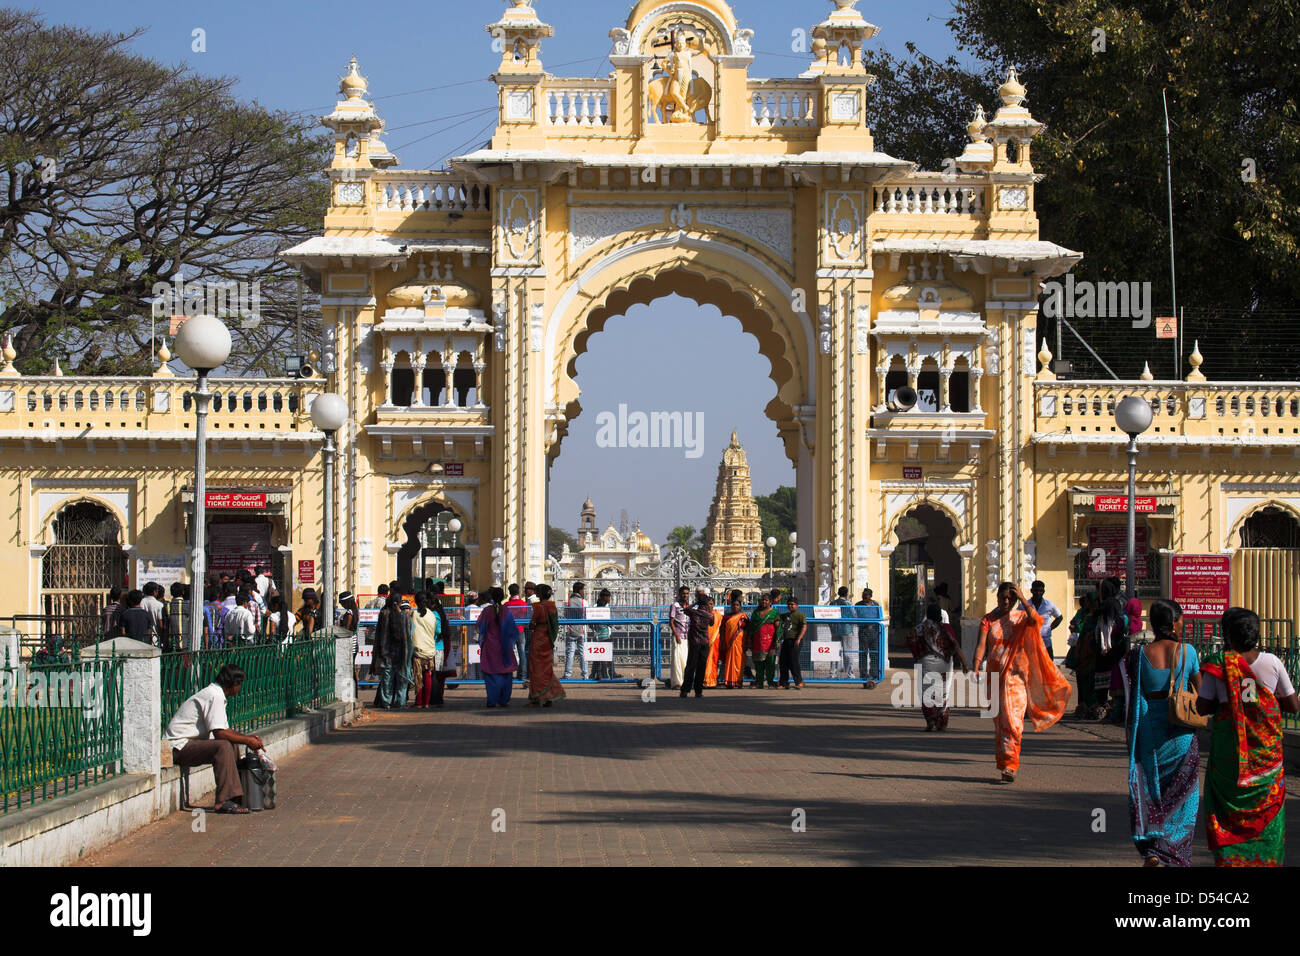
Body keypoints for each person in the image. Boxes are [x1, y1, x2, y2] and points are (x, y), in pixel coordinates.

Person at [1196, 607, 1300, 866]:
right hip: (1266, 756)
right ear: (1256, 635)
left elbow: (1202, 707)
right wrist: (1264, 704)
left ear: (1229, 636)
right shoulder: (1273, 662)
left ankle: (1231, 859)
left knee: (1227, 808)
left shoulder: (1219, 664)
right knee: (1268, 806)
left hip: (1229, 754)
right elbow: (1293, 705)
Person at [1118, 598, 1200, 867]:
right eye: (1181, 619)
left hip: (1149, 732)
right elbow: (1201, 692)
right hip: (1181, 734)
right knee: (1184, 796)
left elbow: (1125, 692)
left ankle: (1152, 849)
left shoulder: (1139, 655)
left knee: (1153, 790)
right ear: (1174, 622)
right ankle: (1172, 851)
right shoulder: (1188, 652)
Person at [973, 582, 1071, 783]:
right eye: (1003, 598)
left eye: (1011, 598)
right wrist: (975, 666)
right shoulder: (988, 620)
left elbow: (1037, 621)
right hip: (994, 678)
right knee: (1000, 723)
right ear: (997, 597)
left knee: (1013, 721)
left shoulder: (1021, 618)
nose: (1006, 602)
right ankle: (1004, 762)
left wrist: (1025, 600)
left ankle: (1011, 765)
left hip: (1016, 679)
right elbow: (981, 645)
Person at [165, 664, 266, 813]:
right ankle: (223, 800)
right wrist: (247, 741)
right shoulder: (214, 695)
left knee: (231, 745)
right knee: (223, 746)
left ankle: (236, 794)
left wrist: (247, 738)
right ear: (234, 684)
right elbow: (219, 733)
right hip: (178, 747)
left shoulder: (216, 694)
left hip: (190, 744)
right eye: (240, 685)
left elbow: (224, 729)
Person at [916, 603, 969, 731]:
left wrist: (918, 655)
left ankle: (931, 723)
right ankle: (942, 722)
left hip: (927, 664)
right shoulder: (946, 628)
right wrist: (964, 663)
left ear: (927, 615)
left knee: (927, 692)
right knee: (944, 692)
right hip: (945, 665)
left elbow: (912, 641)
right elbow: (955, 645)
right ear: (940, 615)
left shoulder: (921, 628)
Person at [478, 587, 519, 708]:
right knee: (506, 673)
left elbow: (481, 627)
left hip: (490, 646)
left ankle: (492, 699)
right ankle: (504, 699)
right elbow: (513, 630)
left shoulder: (487, 611)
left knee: (490, 673)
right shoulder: (506, 611)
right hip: (504, 646)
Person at [527, 584, 565, 707]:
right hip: (548, 640)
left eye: (537, 591)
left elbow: (532, 624)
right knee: (546, 668)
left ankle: (537, 697)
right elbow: (555, 625)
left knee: (536, 669)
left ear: (540, 594)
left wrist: (532, 625)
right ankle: (549, 696)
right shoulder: (552, 607)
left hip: (538, 639)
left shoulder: (539, 607)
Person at [372, 591, 407, 709]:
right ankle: (399, 702)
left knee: (387, 678)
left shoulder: (384, 613)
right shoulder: (403, 614)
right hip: (400, 651)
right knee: (400, 678)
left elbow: (380, 633)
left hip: (385, 650)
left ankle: (386, 701)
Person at [411, 591, 445, 708]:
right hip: (430, 650)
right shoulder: (433, 615)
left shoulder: (414, 615)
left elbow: (410, 631)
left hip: (417, 650)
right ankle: (426, 703)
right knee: (427, 676)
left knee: (418, 676)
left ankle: (419, 702)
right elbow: (438, 632)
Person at [679, 590, 716, 698]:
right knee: (701, 667)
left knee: (690, 666)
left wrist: (695, 604)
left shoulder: (694, 612)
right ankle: (698, 691)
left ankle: (685, 690)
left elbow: (685, 610)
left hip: (695, 642)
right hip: (704, 643)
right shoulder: (710, 615)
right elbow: (712, 623)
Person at [746, 593, 781, 689]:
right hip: (757, 641)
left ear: (770, 602)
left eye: (766, 600)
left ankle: (770, 683)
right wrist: (749, 639)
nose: (764, 602)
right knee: (758, 663)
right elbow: (751, 627)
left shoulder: (774, 613)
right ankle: (759, 682)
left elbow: (778, 628)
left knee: (770, 663)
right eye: (762, 600)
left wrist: (777, 640)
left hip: (770, 642)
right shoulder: (756, 612)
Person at [777, 596, 807, 689]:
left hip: (795, 640)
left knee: (793, 661)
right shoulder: (785, 615)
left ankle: (799, 681)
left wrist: (799, 639)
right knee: (783, 662)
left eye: (792, 604)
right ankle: (783, 682)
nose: (790, 606)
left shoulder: (800, 615)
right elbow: (776, 619)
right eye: (789, 604)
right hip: (786, 640)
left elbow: (804, 627)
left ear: (797, 605)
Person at [1027, 580, 1063, 658]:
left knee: (1048, 668)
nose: (1038, 593)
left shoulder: (1049, 605)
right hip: (1030, 644)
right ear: (1031, 591)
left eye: (1040, 590)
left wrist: (1050, 628)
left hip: (1046, 643)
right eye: (1036, 590)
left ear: (1044, 591)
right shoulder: (1024, 606)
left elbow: (1059, 617)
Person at [720, 594, 748, 688]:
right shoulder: (726, 617)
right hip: (729, 643)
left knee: (739, 662)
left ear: (740, 606)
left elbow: (747, 630)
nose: (735, 607)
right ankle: (729, 681)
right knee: (729, 661)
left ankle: (738, 681)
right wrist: (723, 642)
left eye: (737, 605)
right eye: (733, 605)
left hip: (740, 643)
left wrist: (747, 643)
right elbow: (722, 630)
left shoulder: (743, 617)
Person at [855, 588, 881, 685]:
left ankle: (874, 674)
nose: (865, 599)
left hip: (874, 631)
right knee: (863, 653)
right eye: (863, 597)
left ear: (870, 596)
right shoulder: (858, 605)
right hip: (863, 631)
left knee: (874, 653)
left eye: (867, 597)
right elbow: (855, 616)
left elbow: (879, 615)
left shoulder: (876, 604)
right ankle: (863, 674)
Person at [563, 583, 588, 681]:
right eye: (583, 590)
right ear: (579, 590)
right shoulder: (584, 602)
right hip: (581, 630)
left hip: (571, 630)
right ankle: (585, 674)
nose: (584, 591)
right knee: (583, 653)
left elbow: (565, 615)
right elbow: (586, 615)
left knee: (570, 653)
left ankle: (567, 674)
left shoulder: (567, 602)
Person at [506, 584, 531, 681]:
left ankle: (509, 674)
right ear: (518, 591)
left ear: (509, 592)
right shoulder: (523, 604)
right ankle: (523, 676)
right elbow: (526, 616)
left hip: (509, 631)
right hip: (520, 630)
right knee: (522, 653)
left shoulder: (507, 605)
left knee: (509, 653)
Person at [667, 585, 690, 689]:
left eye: (687, 593)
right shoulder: (675, 605)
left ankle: (686, 681)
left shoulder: (689, 606)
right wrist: (676, 634)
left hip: (687, 636)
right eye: (683, 593)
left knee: (685, 659)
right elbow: (671, 622)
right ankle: (677, 682)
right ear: (679, 594)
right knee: (677, 660)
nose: (685, 595)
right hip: (678, 636)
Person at [590, 588, 615, 681]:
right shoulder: (606, 607)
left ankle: (596, 674)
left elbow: (590, 621)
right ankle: (609, 673)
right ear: (605, 597)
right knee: (607, 655)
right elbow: (610, 622)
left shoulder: (595, 606)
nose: (609, 598)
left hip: (597, 635)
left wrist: (594, 629)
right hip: (606, 634)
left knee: (598, 655)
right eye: (608, 596)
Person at [830, 586, 854, 679]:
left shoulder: (832, 603)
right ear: (847, 594)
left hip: (835, 630)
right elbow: (854, 616)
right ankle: (850, 674)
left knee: (834, 652)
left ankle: (833, 674)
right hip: (846, 630)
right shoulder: (849, 604)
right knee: (848, 652)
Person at [703, 594, 723, 688]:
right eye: (708, 604)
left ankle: (712, 681)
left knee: (714, 661)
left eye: (711, 604)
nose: (709, 606)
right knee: (703, 662)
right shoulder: (702, 615)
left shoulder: (718, 616)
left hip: (715, 642)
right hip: (704, 642)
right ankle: (703, 681)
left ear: (714, 604)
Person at [166, 582, 189, 652]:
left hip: (171, 638)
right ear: (183, 592)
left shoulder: (168, 605)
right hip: (185, 638)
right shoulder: (187, 605)